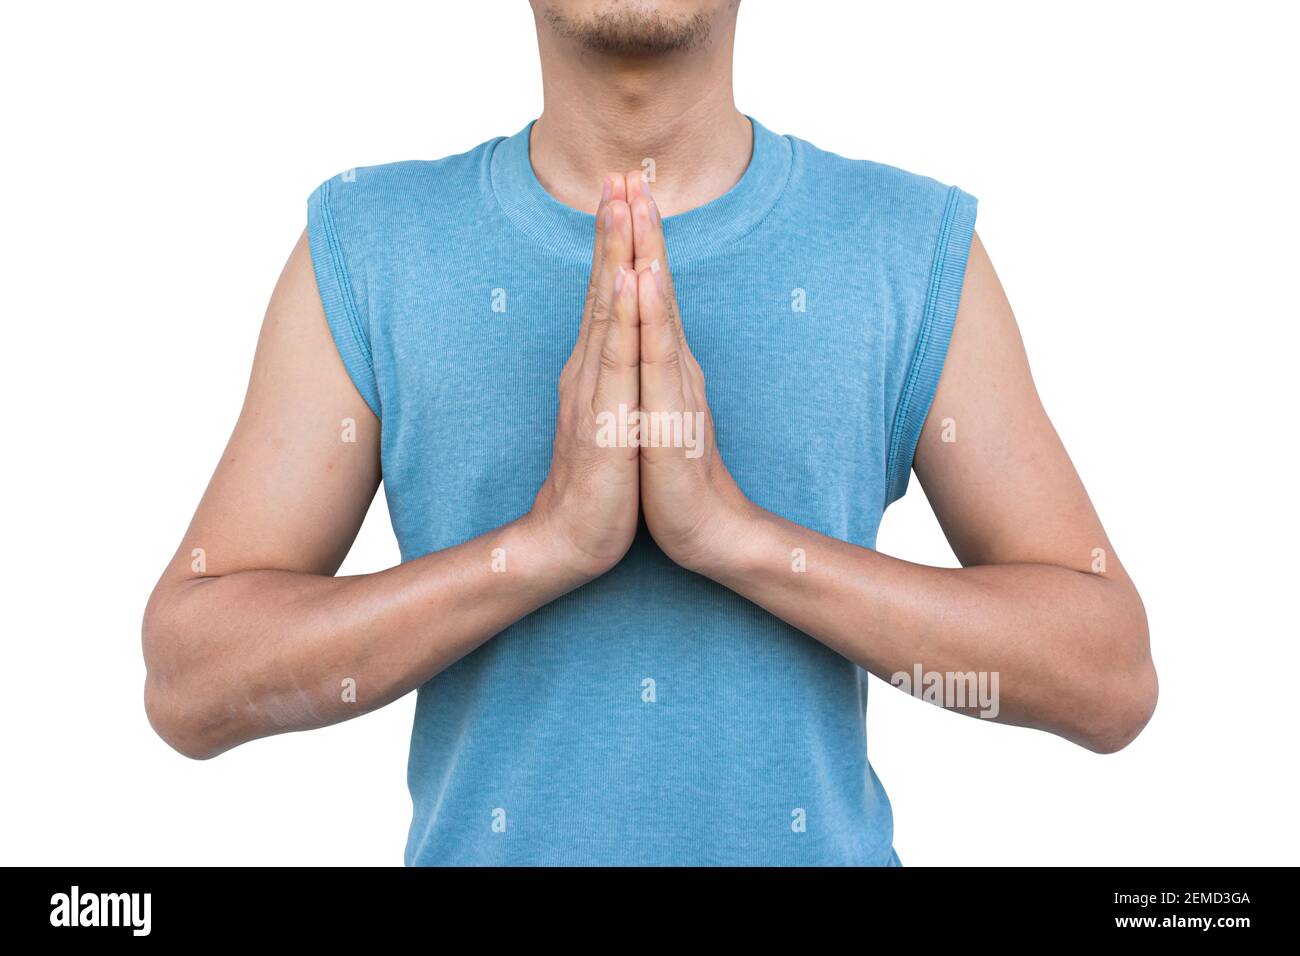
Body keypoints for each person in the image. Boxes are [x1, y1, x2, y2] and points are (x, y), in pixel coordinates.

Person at [142, 0, 1157, 865]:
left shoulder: (907, 241)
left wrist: (734, 536)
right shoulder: (369, 244)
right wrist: (540, 549)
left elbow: (1106, 679)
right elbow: (192, 682)